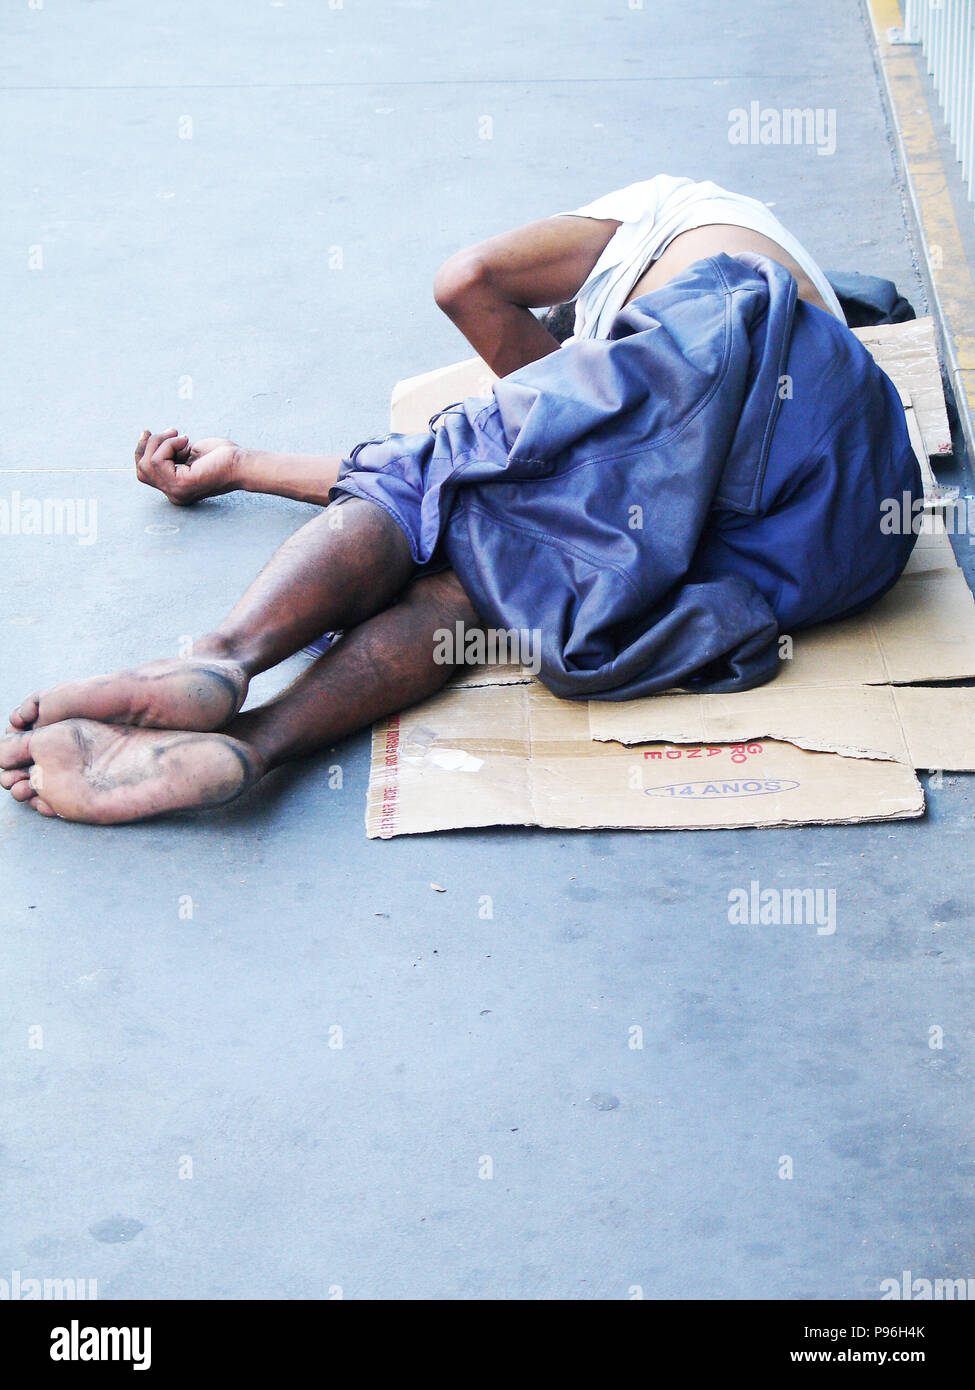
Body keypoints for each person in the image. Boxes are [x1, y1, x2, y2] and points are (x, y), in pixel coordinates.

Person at [0, 177, 921, 823]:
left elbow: (466, 281)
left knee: (453, 475)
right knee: (487, 568)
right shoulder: (732, 358)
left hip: (756, 366)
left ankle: (222, 658)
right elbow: (500, 480)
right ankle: (260, 745)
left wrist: (505, 410)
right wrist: (242, 465)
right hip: (838, 531)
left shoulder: (672, 215)